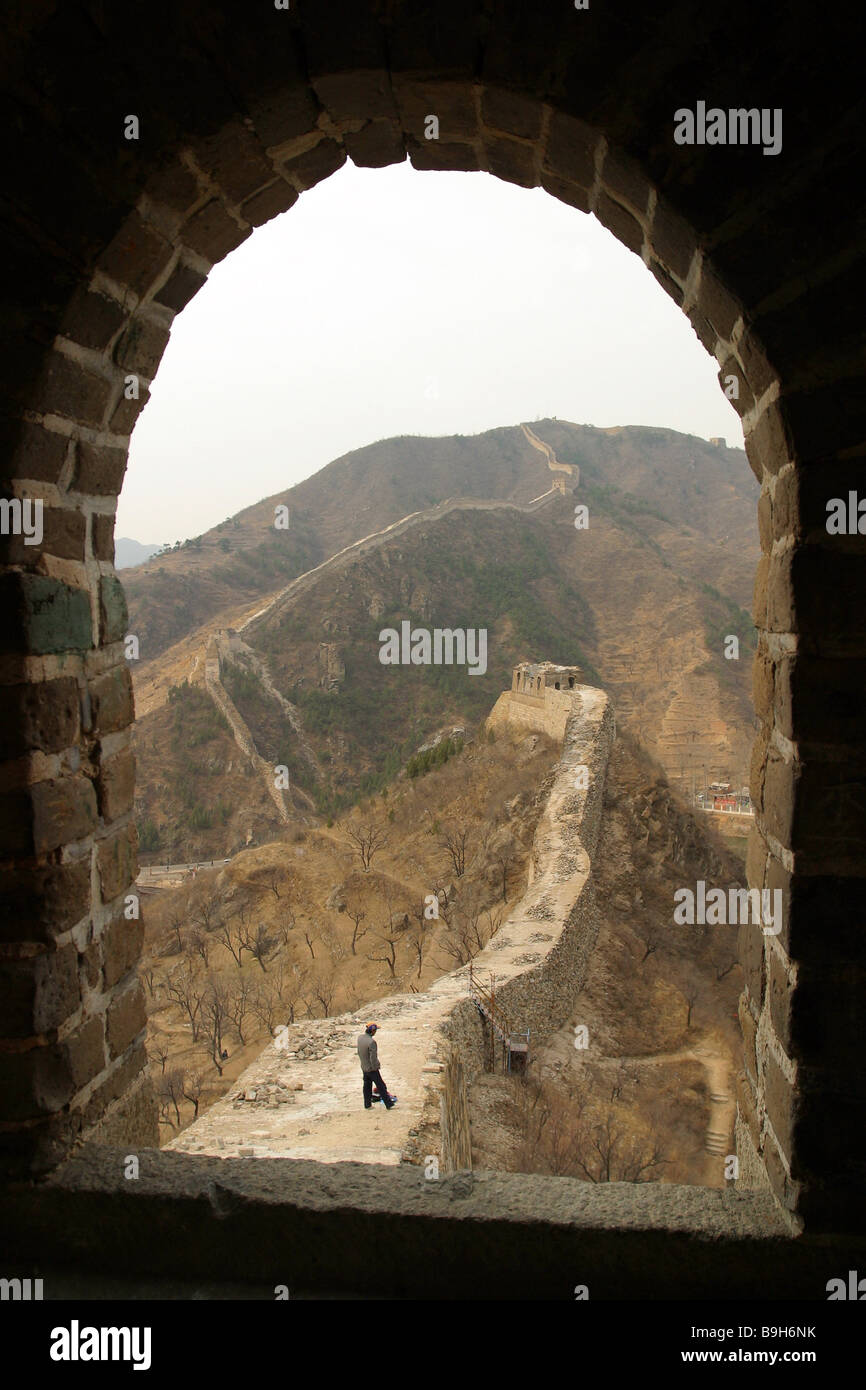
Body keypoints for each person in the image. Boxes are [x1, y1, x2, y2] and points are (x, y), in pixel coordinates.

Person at [356, 1023, 396, 1110]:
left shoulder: (360, 1038)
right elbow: (373, 1057)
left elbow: (359, 1052)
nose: (376, 1032)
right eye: (375, 1030)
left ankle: (367, 1105)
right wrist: (375, 1067)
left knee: (367, 1086)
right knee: (381, 1086)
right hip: (371, 1068)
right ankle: (388, 1104)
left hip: (364, 1066)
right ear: (373, 1031)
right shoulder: (372, 1042)